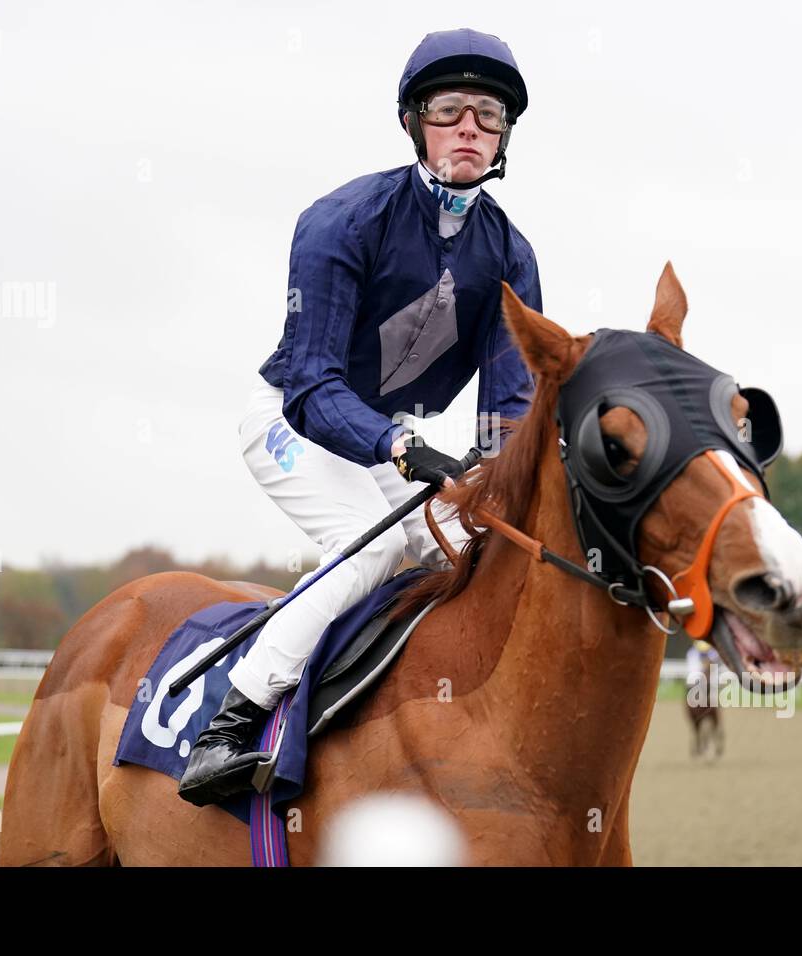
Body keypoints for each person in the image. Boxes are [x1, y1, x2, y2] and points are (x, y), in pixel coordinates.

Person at [178, 28, 542, 806]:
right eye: (450, 110)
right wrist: (404, 447)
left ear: (506, 133)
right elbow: (313, 383)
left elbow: (509, 407)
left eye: (487, 113)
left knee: (462, 563)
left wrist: (493, 480)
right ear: (414, 122)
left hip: (390, 441)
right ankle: (232, 723)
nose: (470, 127)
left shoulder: (511, 255)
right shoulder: (341, 220)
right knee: (366, 550)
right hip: (294, 420)